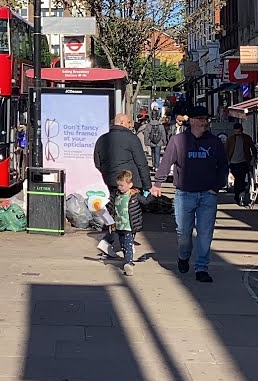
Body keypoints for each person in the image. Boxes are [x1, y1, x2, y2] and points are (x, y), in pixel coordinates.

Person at [154, 105, 229, 283]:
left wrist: (216, 187)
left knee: (205, 233)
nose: (206, 122)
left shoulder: (214, 142)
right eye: (202, 119)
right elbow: (166, 162)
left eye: (207, 119)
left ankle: (201, 268)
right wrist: (158, 183)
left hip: (207, 195)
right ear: (193, 121)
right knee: (183, 233)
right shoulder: (178, 140)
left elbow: (223, 166)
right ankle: (183, 256)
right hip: (184, 194)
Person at [93, 113, 151, 258]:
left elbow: (97, 162)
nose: (131, 124)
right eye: (129, 122)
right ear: (122, 122)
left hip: (112, 182)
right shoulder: (132, 138)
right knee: (131, 213)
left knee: (115, 212)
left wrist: (108, 175)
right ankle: (122, 244)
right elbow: (141, 162)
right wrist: (147, 185)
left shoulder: (102, 139)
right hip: (130, 182)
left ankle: (110, 241)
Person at [111, 169, 146, 276]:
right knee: (123, 245)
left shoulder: (134, 195)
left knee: (128, 244)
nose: (120, 188)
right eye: (118, 185)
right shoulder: (116, 195)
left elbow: (145, 201)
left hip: (130, 226)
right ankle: (127, 260)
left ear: (130, 185)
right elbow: (111, 207)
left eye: (122, 185)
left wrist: (152, 195)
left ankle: (128, 263)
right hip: (119, 225)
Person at [225, 123, 258, 207]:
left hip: (243, 162)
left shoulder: (245, 138)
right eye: (237, 131)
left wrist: (253, 157)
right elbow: (225, 150)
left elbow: (253, 148)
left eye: (239, 131)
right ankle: (239, 195)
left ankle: (240, 196)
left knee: (240, 179)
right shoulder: (231, 139)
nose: (238, 132)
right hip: (234, 163)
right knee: (239, 179)